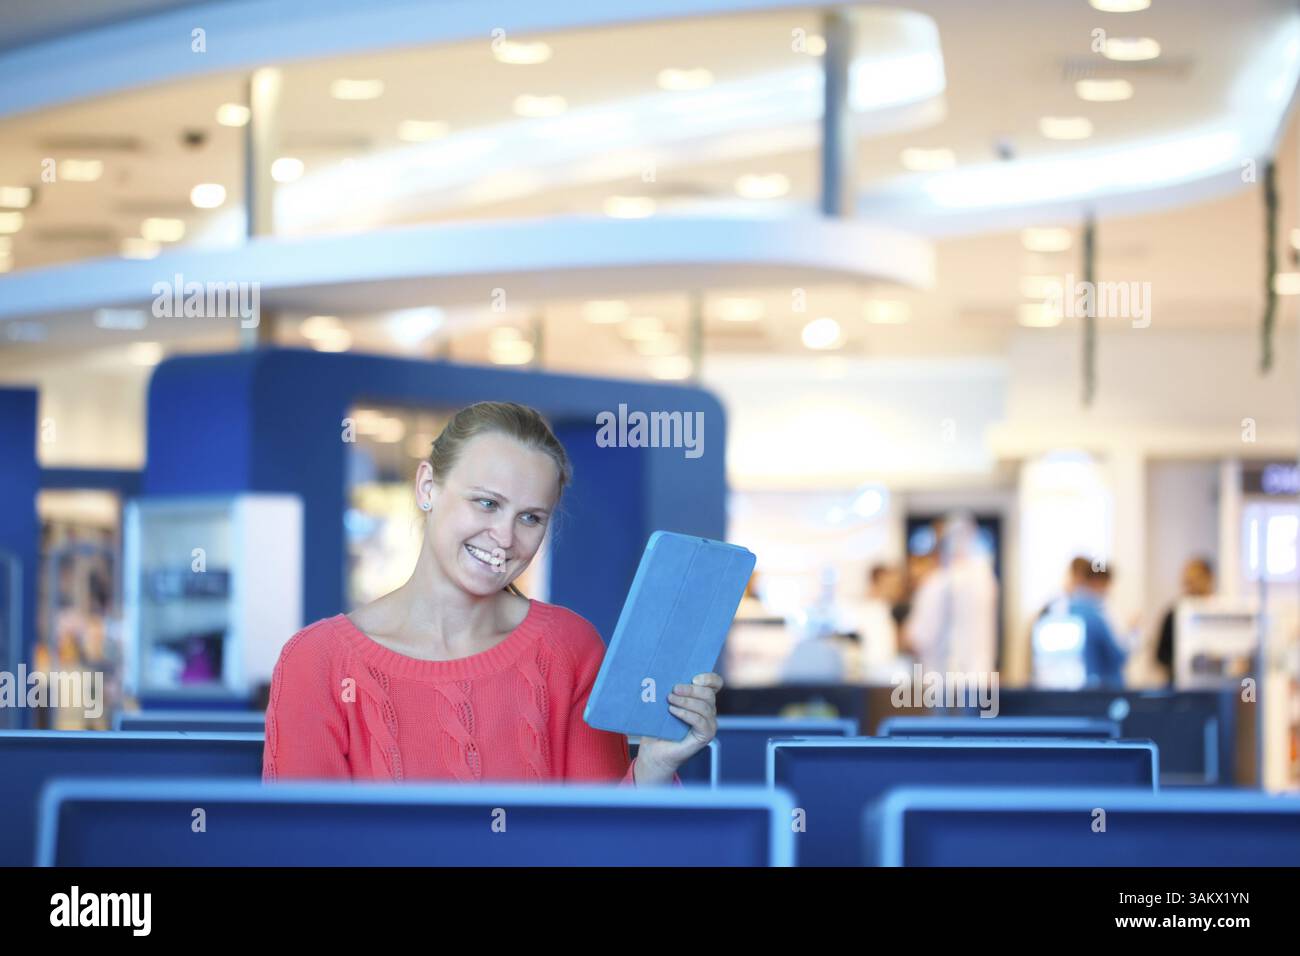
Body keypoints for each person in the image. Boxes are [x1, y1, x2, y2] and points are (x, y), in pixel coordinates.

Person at [263, 401, 719, 785]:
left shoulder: (569, 649)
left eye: (530, 518)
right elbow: (296, 846)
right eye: (486, 503)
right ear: (427, 487)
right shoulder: (317, 661)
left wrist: (653, 767)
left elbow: (600, 840)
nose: (504, 537)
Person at [904, 515, 998, 676]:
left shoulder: (937, 583)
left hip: (941, 683)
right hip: (979, 680)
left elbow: (919, 638)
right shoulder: (986, 580)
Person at [1154, 557, 1215, 686]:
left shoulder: (1218, 613)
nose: (1193, 586)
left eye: (1197, 580)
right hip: (1180, 685)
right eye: (1190, 582)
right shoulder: (1174, 613)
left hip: (1212, 686)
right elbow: (1160, 655)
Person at [1068, 563, 1128, 688]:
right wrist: (1133, 636)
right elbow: (1117, 657)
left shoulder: (1069, 608)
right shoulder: (1096, 616)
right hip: (1101, 689)